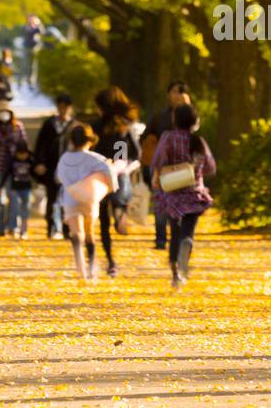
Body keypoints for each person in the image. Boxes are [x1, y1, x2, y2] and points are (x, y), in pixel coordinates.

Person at [150, 102, 216, 289]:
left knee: (174, 232)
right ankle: (188, 242)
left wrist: (156, 177)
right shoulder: (198, 141)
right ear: (195, 121)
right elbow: (211, 167)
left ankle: (175, 275)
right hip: (194, 191)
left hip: (172, 192)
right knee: (188, 230)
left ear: (175, 119)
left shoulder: (168, 137)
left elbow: (159, 160)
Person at [55, 123, 115, 280]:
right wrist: (110, 187)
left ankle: (80, 267)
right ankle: (92, 267)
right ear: (89, 140)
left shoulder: (64, 159)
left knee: (76, 234)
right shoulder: (96, 158)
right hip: (89, 199)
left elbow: (59, 176)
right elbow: (109, 171)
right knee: (90, 233)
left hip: (70, 199)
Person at [93, 86, 142, 276]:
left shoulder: (95, 126)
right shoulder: (123, 127)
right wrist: (121, 164)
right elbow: (133, 153)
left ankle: (111, 261)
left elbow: (91, 151)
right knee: (119, 200)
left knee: (103, 220)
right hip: (119, 174)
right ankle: (120, 211)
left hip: (99, 175)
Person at [140, 79, 191, 250]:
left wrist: (188, 109)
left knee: (180, 203)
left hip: (182, 165)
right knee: (161, 202)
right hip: (161, 165)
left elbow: (194, 130)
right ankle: (161, 239)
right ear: (168, 94)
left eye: (181, 92)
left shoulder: (190, 114)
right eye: (175, 91)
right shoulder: (159, 116)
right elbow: (145, 136)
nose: (178, 95)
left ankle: (179, 238)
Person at [33, 92, 74, 238]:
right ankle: (50, 228)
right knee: (52, 198)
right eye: (60, 107)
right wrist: (39, 162)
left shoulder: (74, 125)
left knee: (68, 201)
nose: (63, 110)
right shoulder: (49, 124)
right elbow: (40, 145)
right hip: (51, 167)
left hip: (69, 169)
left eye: (65, 107)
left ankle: (66, 229)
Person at [0, 106, 28, 236]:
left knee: (14, 198)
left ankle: (13, 226)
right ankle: (1, 227)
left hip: (15, 170)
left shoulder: (18, 127)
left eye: (6, 112)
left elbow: (24, 145)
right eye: (1, 112)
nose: (4, 115)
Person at [6, 141, 35, 238]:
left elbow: (35, 174)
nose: (22, 156)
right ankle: (14, 228)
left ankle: (24, 230)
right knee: (15, 208)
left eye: (24, 154)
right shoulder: (12, 161)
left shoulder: (30, 160)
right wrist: (1, 186)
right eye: (20, 154)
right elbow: (7, 173)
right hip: (15, 188)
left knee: (25, 210)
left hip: (27, 188)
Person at [18, 14, 43, 91]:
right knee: (24, 66)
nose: (31, 20)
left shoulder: (37, 27)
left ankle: (31, 83)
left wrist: (39, 24)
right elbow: (28, 32)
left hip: (34, 49)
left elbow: (42, 32)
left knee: (33, 67)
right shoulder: (26, 27)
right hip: (26, 48)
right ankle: (20, 83)